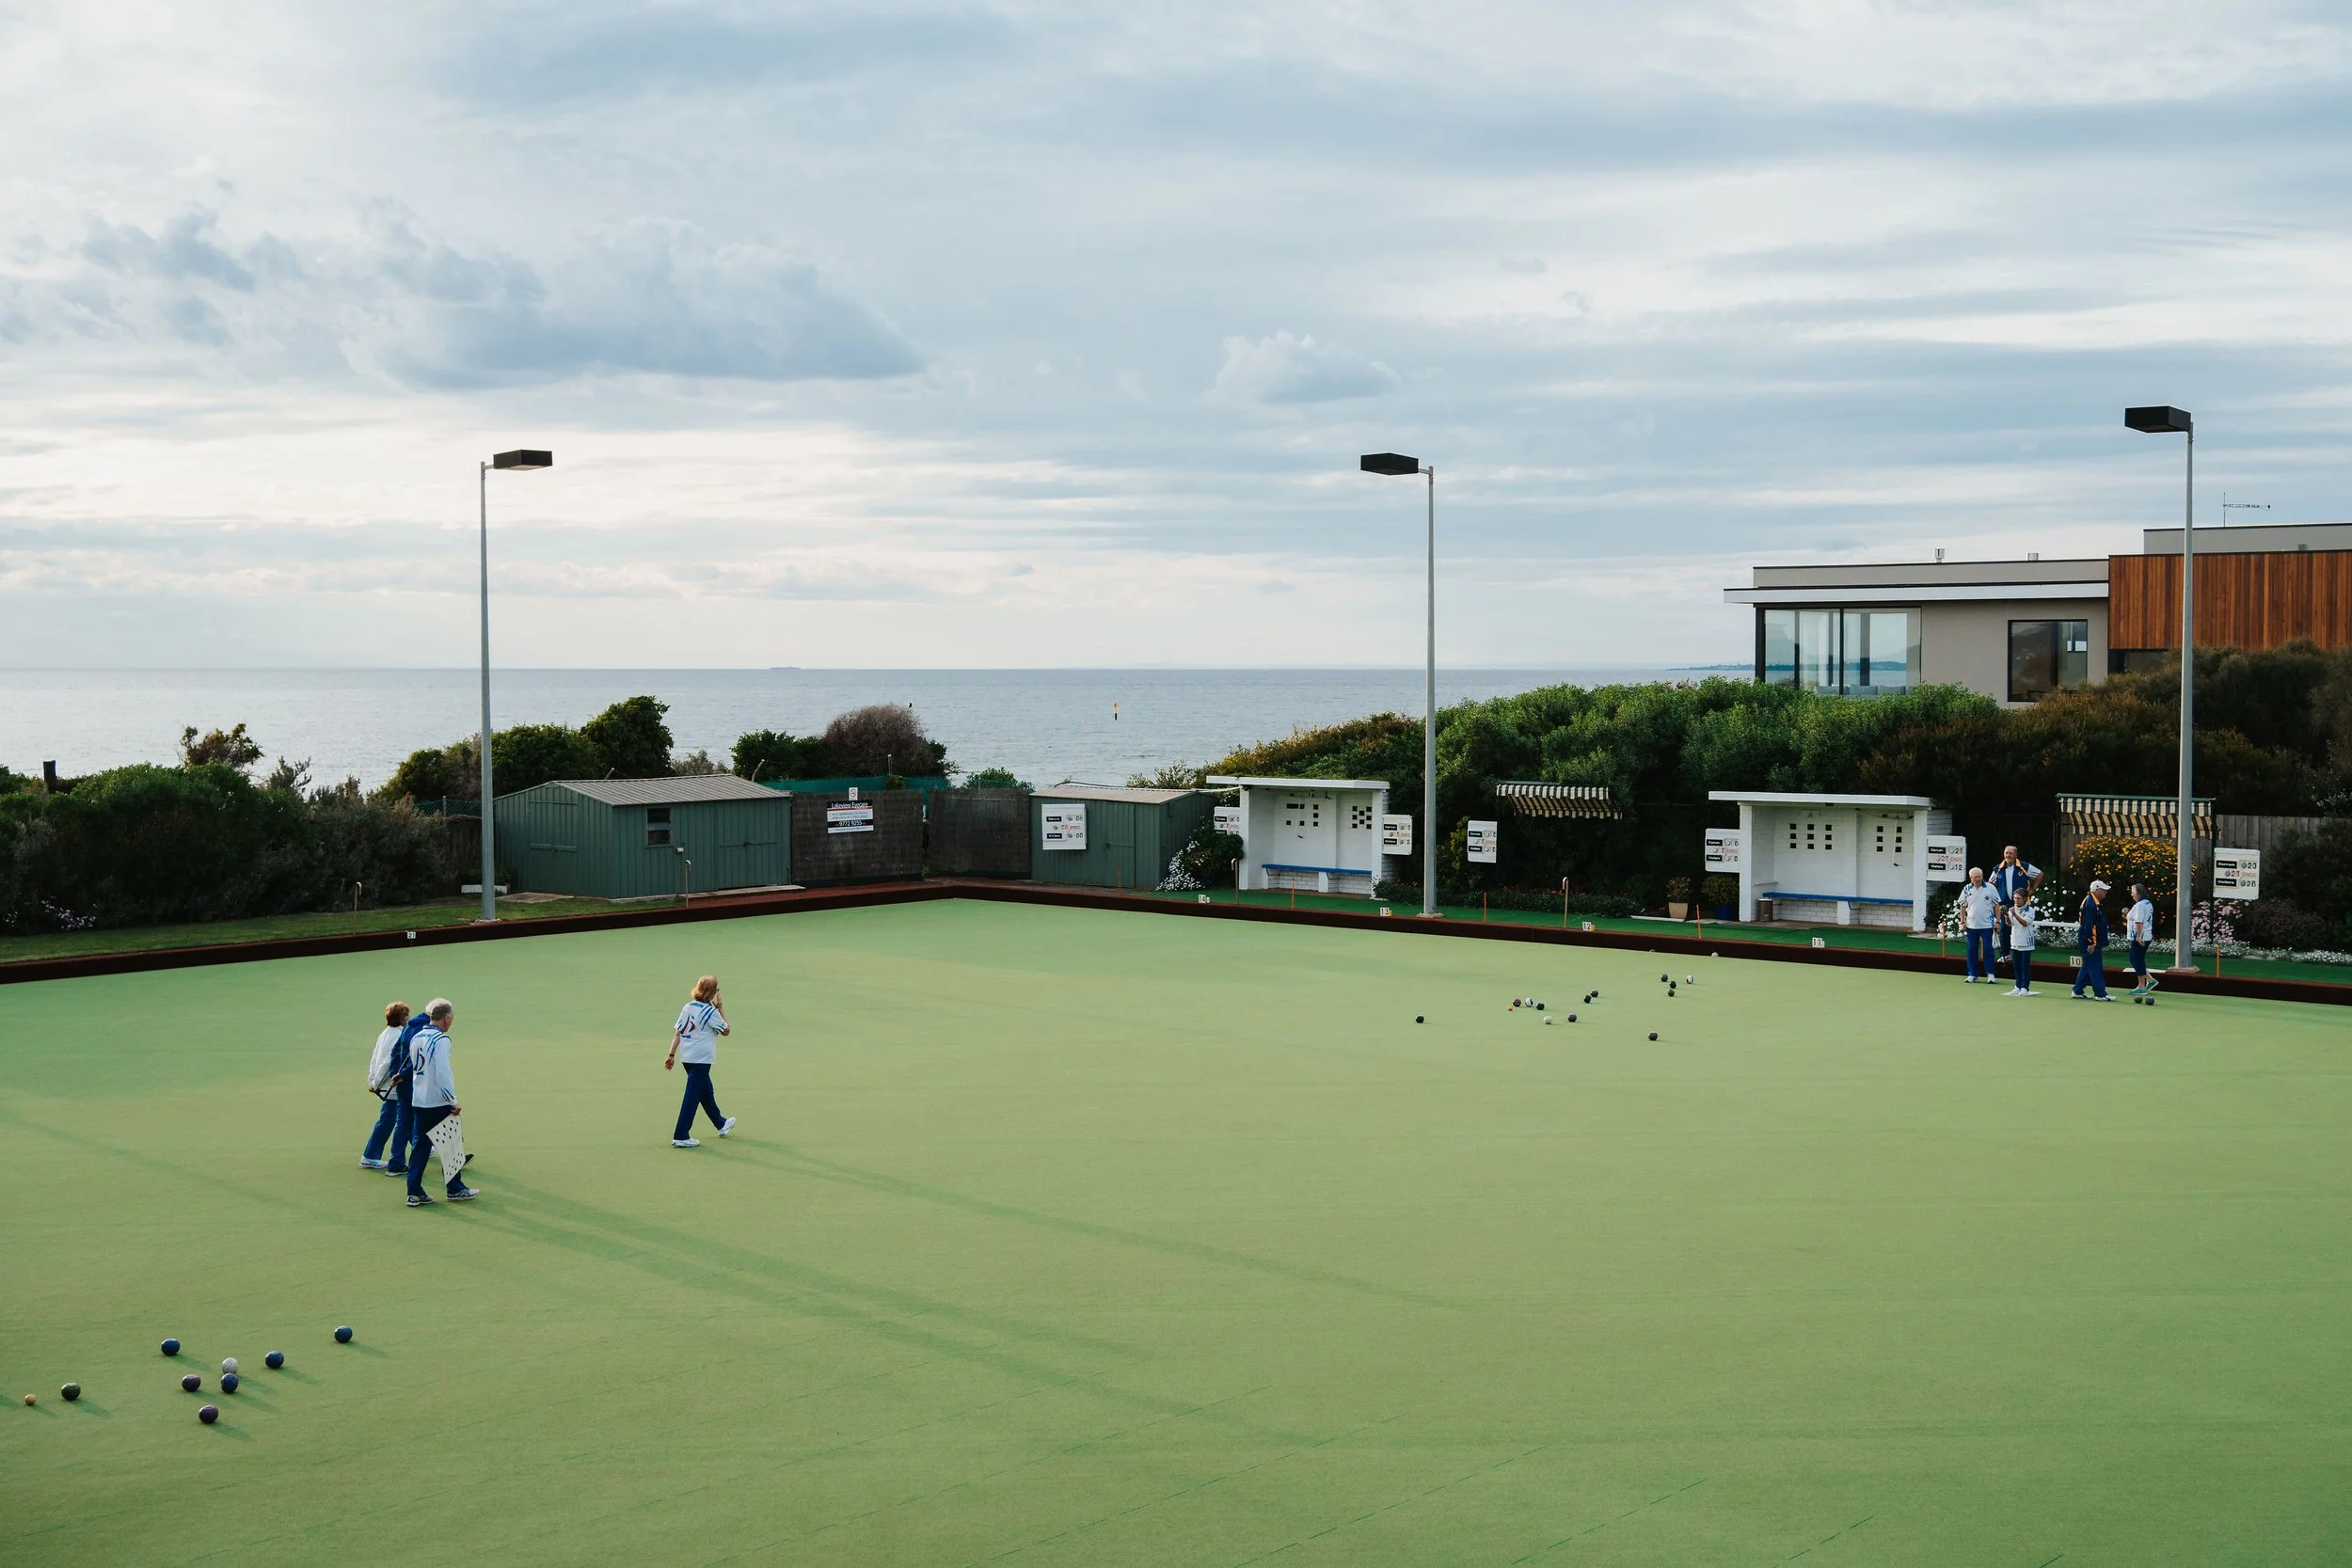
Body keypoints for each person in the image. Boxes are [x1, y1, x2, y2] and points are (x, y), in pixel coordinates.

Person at [405, 999, 479, 1207]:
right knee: (451, 1144)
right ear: (446, 1018)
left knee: (420, 1147)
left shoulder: (417, 1036)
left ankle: (414, 1191)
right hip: (437, 1100)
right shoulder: (441, 1040)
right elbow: (442, 1072)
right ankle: (455, 1188)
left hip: (419, 1100)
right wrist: (452, 1100)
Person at [666, 974, 737, 1148]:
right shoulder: (710, 1012)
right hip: (701, 1059)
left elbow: (678, 1032)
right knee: (692, 1097)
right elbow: (726, 1030)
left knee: (705, 1091)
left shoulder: (688, 1006)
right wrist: (720, 1007)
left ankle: (721, 1123)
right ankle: (681, 1135)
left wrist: (671, 1055)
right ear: (712, 992)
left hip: (687, 1057)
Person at [360, 1002, 410, 1169]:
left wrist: (372, 1079)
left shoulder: (385, 1034)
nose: (408, 1018)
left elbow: (375, 1058)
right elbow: (388, 1062)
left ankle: (425, 1145)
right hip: (392, 1086)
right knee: (389, 1120)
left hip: (386, 1085)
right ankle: (369, 1155)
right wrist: (375, 1082)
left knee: (406, 1116)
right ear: (400, 1018)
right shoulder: (398, 1036)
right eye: (406, 1016)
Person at [1989, 846, 2042, 980]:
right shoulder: (1998, 869)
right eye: (2006, 853)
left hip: (2022, 904)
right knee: (2005, 927)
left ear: (2016, 855)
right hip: (2005, 904)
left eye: (2011, 853)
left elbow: (2040, 874)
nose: (2008, 855)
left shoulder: (2024, 866)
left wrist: (2033, 889)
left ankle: (2022, 952)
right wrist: (1996, 897)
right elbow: (1990, 883)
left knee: (2022, 927)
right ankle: (2006, 954)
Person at [1957, 867, 2003, 983]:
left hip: (1987, 925)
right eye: (1975, 877)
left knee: (1988, 949)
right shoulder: (1967, 889)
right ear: (1971, 878)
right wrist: (1962, 922)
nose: (1978, 879)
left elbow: (1997, 906)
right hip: (1971, 926)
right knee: (1971, 950)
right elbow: (1962, 906)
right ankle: (1972, 974)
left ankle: (1990, 974)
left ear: (1983, 876)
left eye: (1980, 876)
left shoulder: (1990, 888)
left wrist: (1998, 922)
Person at [2073, 879, 2115, 1000]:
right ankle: (2100, 994)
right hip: (2090, 942)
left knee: (2088, 966)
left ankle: (2077, 991)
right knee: (2095, 966)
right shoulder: (2090, 904)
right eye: (2104, 890)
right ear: (2097, 890)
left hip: (2093, 941)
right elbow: (2088, 925)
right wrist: (2090, 942)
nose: (2105, 892)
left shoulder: (2093, 902)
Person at [2001, 887, 2039, 996]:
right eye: (2014, 898)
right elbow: (2009, 924)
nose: (2016, 900)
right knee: (2016, 966)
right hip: (2015, 941)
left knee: (2024, 966)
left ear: (2025, 899)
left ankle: (2025, 988)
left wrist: (2014, 913)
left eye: (2018, 898)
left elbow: (2025, 923)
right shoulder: (2012, 909)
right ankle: (2017, 986)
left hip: (2026, 942)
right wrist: (2006, 915)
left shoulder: (2030, 910)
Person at [2125, 882, 2158, 994]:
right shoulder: (2146, 903)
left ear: (2138, 893)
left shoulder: (2140, 905)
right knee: (2135, 959)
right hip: (2145, 935)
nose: (2131, 894)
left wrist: (2139, 937)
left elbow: (2139, 921)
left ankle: (2142, 986)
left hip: (2140, 937)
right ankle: (2150, 980)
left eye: (2133, 892)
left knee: (2137, 960)